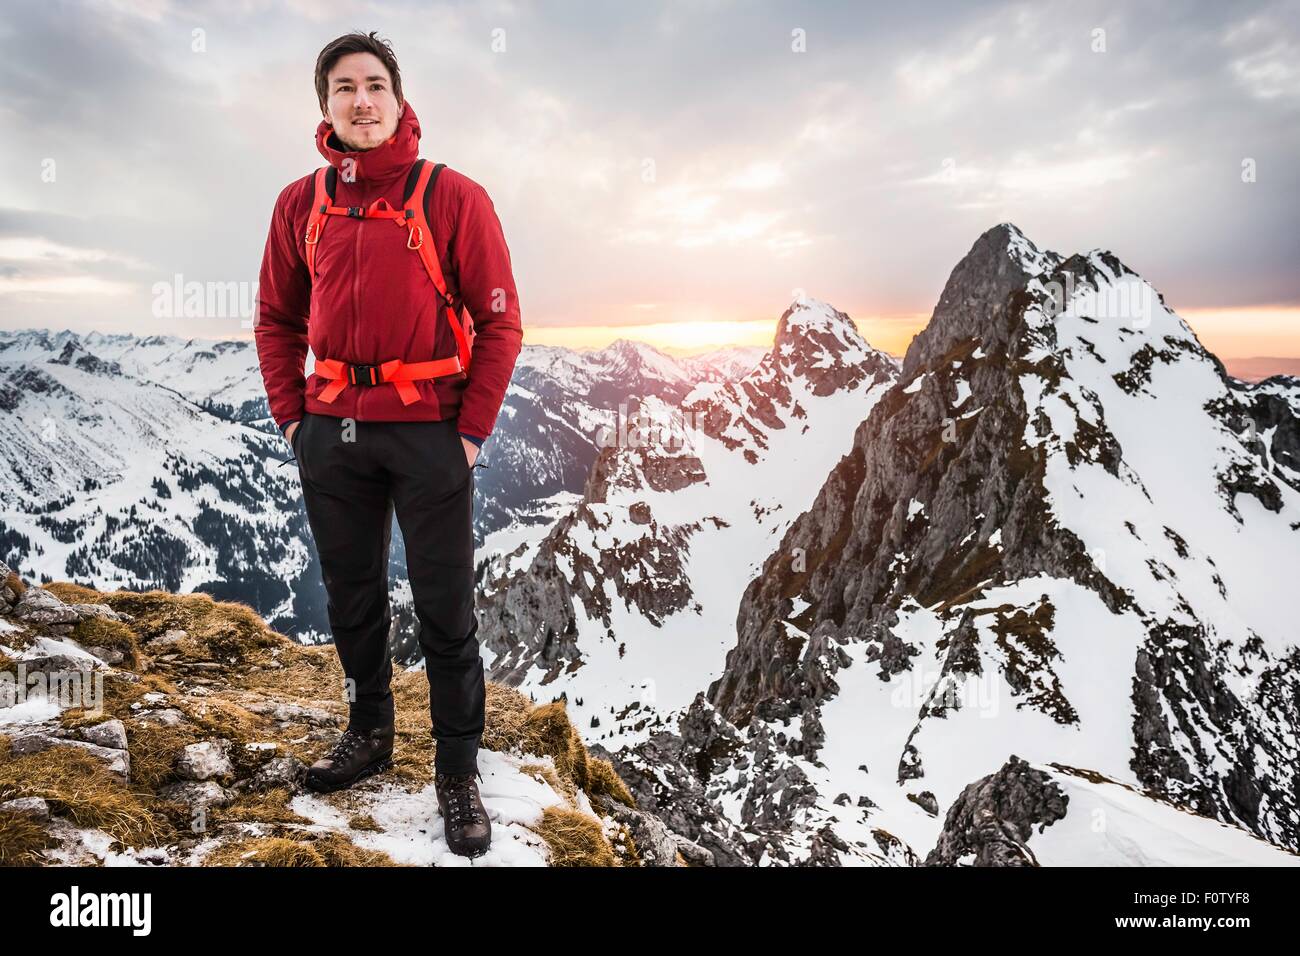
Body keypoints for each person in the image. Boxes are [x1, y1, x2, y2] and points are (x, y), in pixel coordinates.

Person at [253, 30, 522, 858]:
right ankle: (369, 731)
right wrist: (294, 421)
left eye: (374, 85)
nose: (361, 100)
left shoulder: (453, 197)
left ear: (400, 101)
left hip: (430, 431)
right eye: (343, 88)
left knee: (446, 607)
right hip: (332, 432)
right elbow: (276, 319)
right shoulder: (300, 204)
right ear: (325, 106)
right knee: (354, 596)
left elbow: (502, 321)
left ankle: (456, 768)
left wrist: (470, 434)